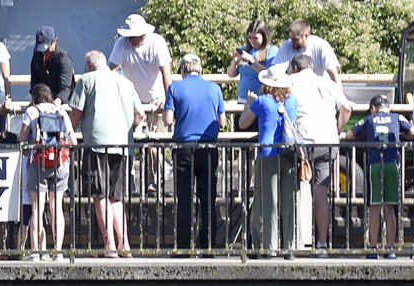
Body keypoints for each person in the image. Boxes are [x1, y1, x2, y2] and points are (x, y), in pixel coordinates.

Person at [69, 50, 144, 257]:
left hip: (96, 144)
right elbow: (140, 113)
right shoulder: (125, 82)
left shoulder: (87, 80)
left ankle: (109, 243)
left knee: (99, 194)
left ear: (88, 66)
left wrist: (70, 135)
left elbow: (75, 116)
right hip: (122, 145)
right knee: (116, 197)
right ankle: (124, 243)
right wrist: (127, 128)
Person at [288, 53, 352, 254]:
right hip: (327, 141)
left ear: (295, 68)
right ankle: (322, 243)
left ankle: (296, 241)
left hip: (302, 142)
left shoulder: (290, 81)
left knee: (294, 191)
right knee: (321, 193)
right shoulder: (327, 83)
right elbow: (347, 109)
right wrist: (337, 130)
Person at [163, 53, 226, 253]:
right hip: (208, 148)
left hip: (184, 148)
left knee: (184, 198)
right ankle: (208, 245)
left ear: (183, 70)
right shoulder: (215, 88)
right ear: (200, 69)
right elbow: (223, 122)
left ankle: (183, 246)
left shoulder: (175, 87)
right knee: (208, 198)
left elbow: (167, 120)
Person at [238, 66, 299, 257]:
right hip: (290, 153)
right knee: (289, 202)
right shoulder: (293, 101)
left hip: (267, 154)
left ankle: (268, 246)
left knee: (267, 203)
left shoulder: (262, 101)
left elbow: (243, 123)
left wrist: (248, 103)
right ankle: (290, 246)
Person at [108, 14, 172, 190]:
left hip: (156, 99)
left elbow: (166, 73)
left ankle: (155, 176)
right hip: (131, 100)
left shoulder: (156, 42)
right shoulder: (121, 44)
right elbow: (112, 71)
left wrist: (168, 101)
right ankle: (140, 181)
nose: (129, 40)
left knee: (155, 142)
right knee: (135, 141)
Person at [345, 95, 413, 257]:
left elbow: (349, 134)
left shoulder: (369, 119)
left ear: (373, 108)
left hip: (375, 163)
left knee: (374, 207)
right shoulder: (397, 117)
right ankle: (390, 248)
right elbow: (413, 133)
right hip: (392, 163)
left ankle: (373, 247)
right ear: (388, 108)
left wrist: (365, 135)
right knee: (390, 208)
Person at [20, 84, 75, 261]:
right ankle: (57, 251)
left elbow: (22, 139)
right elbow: (72, 140)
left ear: (34, 97)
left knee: (37, 208)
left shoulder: (31, 111)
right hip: (60, 163)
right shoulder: (61, 112)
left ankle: (36, 251)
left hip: (39, 162)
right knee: (56, 207)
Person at [227, 20, 273, 128]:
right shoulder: (244, 50)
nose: (252, 41)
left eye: (256, 38)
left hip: (260, 100)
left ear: (264, 36)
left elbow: (269, 73)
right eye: (250, 37)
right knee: (241, 136)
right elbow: (231, 74)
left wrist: (251, 61)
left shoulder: (271, 51)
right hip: (243, 100)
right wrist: (235, 63)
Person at [269, 19, 341, 83]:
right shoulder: (286, 46)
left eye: (296, 39)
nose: (292, 42)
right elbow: (277, 71)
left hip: (320, 90)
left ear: (306, 36)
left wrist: (339, 95)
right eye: (291, 39)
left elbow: (333, 73)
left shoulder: (321, 45)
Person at [30, 26, 74, 104]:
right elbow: (34, 79)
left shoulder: (63, 59)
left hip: (61, 103)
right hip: (42, 100)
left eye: (46, 48)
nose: (43, 52)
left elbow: (65, 87)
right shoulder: (37, 54)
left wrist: (56, 102)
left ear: (54, 42)